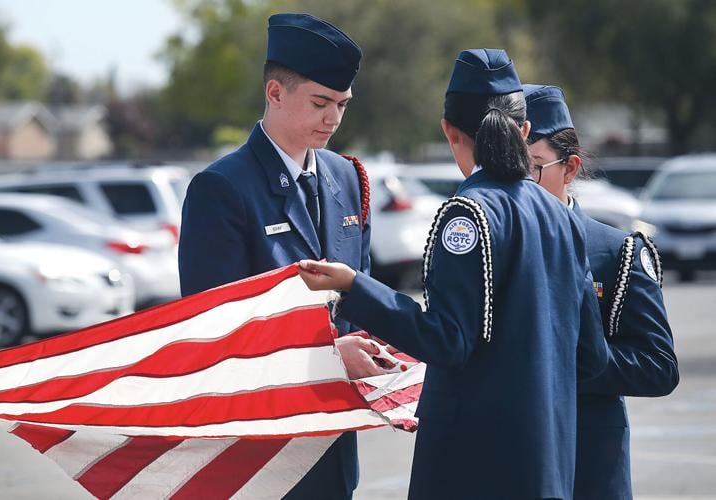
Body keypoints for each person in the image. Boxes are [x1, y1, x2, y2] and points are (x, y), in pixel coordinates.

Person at [298, 48, 609, 499]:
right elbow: (592, 356)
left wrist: (354, 286)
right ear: (523, 130)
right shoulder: (561, 215)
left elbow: (449, 340)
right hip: (550, 468)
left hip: (473, 468)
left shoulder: (469, 213)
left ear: (449, 130)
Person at [178, 12, 383, 500]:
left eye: (342, 104)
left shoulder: (348, 176)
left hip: (336, 438)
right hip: (264, 449)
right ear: (275, 93)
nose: (333, 118)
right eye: (320, 102)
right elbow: (218, 330)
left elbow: (362, 294)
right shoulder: (222, 188)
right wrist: (332, 357)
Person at [524, 84, 679, 499]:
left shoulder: (616, 251)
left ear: (570, 168)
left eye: (533, 167)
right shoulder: (488, 247)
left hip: (586, 462)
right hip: (508, 457)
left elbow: (658, 366)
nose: (520, 183)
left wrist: (560, 365)